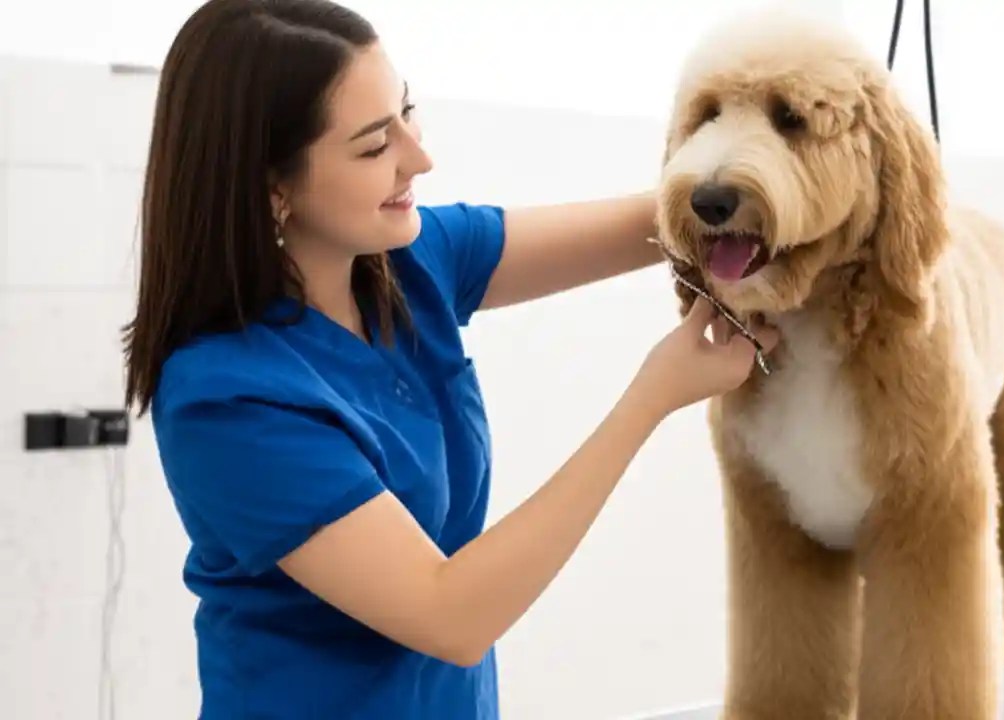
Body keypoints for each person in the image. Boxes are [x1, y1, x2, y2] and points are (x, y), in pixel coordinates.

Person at [120, 0, 778, 718]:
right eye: (375, 147)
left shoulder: (406, 262)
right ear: (273, 187)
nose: (420, 158)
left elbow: (651, 224)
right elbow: (451, 617)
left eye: (408, 113)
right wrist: (651, 397)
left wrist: (771, 186)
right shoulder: (228, 398)